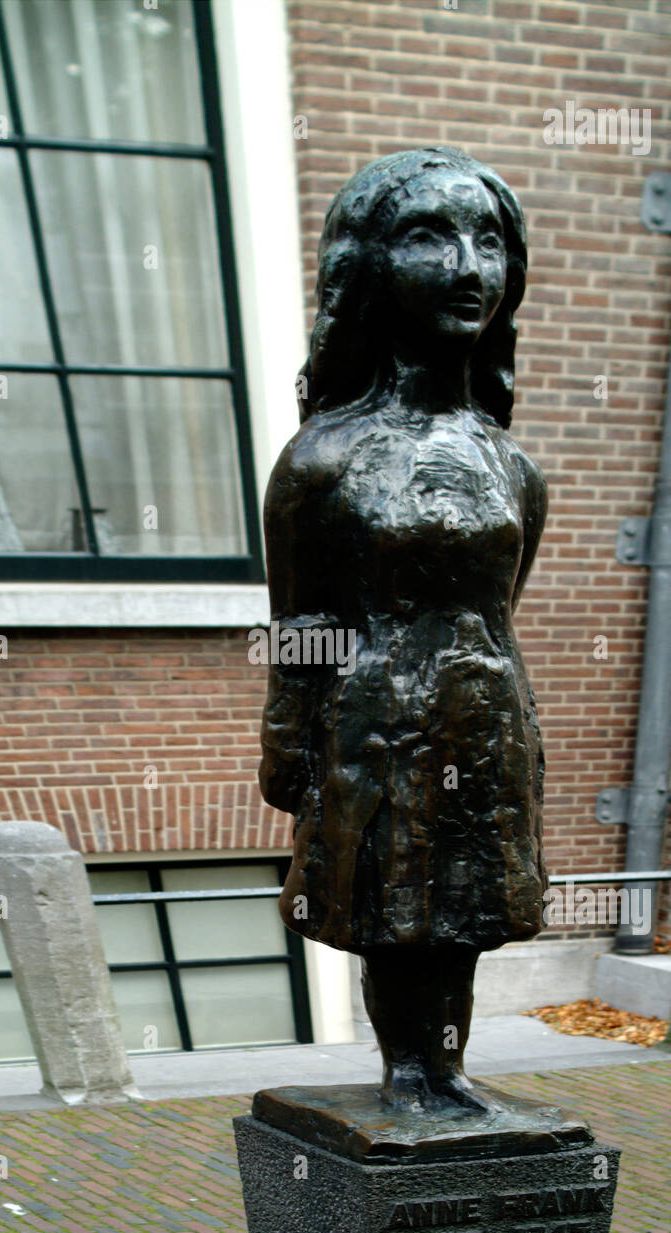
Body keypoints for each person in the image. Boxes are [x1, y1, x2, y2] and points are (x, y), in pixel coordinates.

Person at [258, 147, 548, 1112]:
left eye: (488, 241)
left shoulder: (510, 466)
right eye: (430, 236)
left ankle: (450, 1072)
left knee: (463, 906)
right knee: (395, 907)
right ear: (370, 266)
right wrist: (287, 748)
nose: (469, 266)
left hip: (485, 711)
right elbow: (299, 621)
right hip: (374, 717)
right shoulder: (322, 459)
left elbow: (501, 608)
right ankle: (407, 1073)